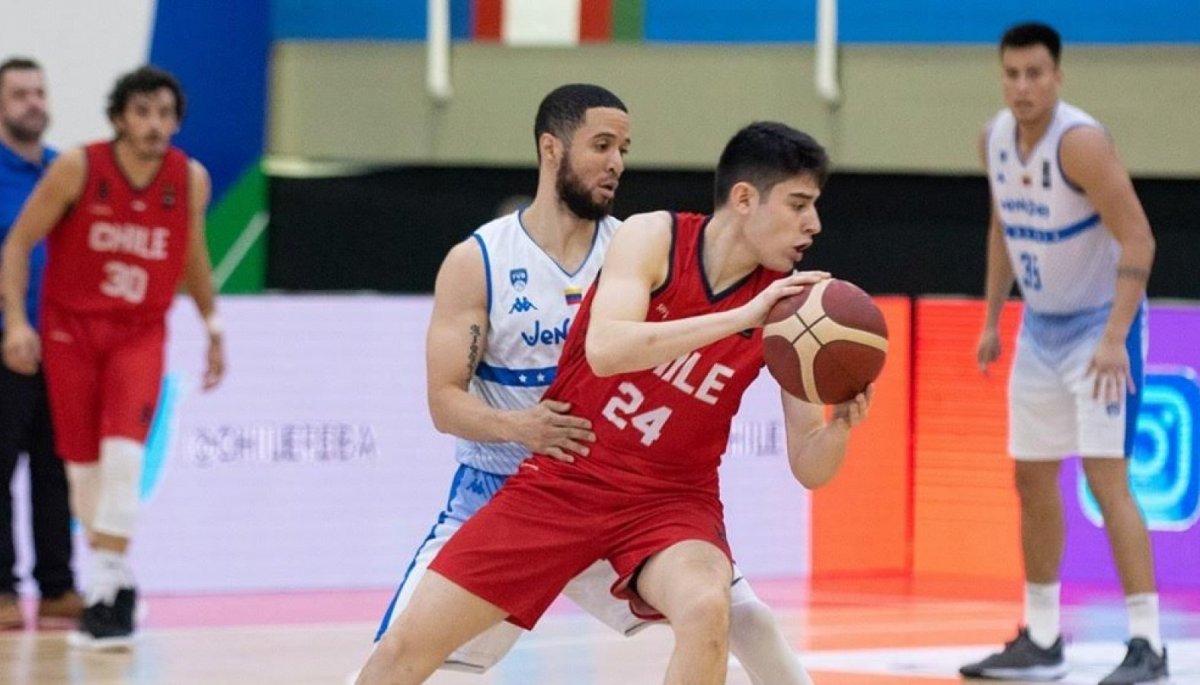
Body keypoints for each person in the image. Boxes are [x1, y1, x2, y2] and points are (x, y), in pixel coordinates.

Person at [358, 120, 872, 685]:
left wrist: (841, 425)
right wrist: (738, 318)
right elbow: (606, 349)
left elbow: (810, 466)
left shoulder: (792, 309)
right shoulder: (655, 237)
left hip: (671, 504)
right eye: (799, 205)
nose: (814, 224)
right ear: (745, 199)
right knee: (400, 651)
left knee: (710, 608)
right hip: (565, 481)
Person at [960, 23, 1165, 685]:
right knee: (1030, 477)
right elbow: (1003, 227)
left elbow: (1139, 240)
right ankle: (1042, 637)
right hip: (1039, 327)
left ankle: (1147, 643)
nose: (1023, 86)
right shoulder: (993, 137)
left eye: (1035, 73)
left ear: (1058, 77)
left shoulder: (1080, 143)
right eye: (1012, 74)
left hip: (1102, 329)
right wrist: (993, 318)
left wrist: (1114, 339)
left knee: (1108, 480)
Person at [0, 65, 225, 649]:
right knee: (82, 471)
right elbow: (19, 242)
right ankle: (114, 581)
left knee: (125, 455)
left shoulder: (189, 179)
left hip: (137, 333)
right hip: (70, 335)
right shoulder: (78, 166)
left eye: (165, 113)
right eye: (143, 112)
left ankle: (104, 591)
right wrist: (18, 322)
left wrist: (213, 324)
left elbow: (192, 255)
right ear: (120, 117)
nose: (155, 125)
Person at [0, 57, 82, 631]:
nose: (33, 102)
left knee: (58, 472)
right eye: (19, 93)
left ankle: (58, 588)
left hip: (63, 348)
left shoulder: (65, 172)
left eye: (39, 91)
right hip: (4, 343)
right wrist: (12, 324)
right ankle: (3, 589)